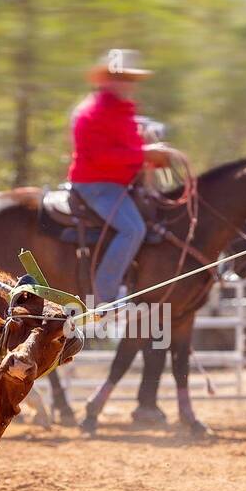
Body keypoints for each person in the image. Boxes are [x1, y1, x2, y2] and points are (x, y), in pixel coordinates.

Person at [68, 49, 172, 306]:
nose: (126, 84)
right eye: (120, 77)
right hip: (97, 185)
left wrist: (149, 155)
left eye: (129, 79)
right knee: (132, 228)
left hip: (116, 183)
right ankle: (103, 297)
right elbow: (100, 156)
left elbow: (126, 148)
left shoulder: (121, 111)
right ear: (105, 80)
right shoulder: (93, 112)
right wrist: (146, 154)